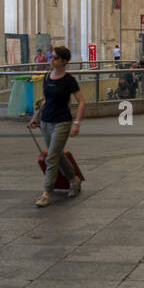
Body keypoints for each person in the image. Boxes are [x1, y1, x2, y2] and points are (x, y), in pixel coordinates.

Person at [29, 45, 85, 207]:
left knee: (52, 157)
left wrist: (77, 123)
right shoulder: (47, 77)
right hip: (46, 121)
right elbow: (44, 99)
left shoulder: (69, 80)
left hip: (62, 122)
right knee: (57, 154)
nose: (51, 59)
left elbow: (81, 102)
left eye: (54, 57)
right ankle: (74, 180)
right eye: (51, 57)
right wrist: (35, 117)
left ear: (64, 61)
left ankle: (47, 192)